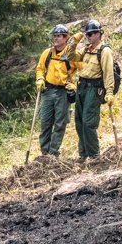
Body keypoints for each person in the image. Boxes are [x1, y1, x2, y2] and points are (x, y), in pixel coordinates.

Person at [71, 20, 116, 163]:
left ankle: (95, 155)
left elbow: (108, 72)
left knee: (88, 122)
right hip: (81, 87)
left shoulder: (104, 50)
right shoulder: (85, 49)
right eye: (87, 34)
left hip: (94, 88)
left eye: (91, 34)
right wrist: (73, 42)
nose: (89, 36)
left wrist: (109, 92)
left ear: (98, 34)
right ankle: (83, 154)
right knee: (79, 121)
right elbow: (69, 57)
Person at [34, 24, 77, 156]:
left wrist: (74, 85)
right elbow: (40, 68)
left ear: (65, 38)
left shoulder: (71, 55)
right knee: (45, 122)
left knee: (60, 123)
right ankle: (44, 152)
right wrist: (40, 79)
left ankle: (53, 152)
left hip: (63, 93)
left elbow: (81, 70)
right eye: (55, 36)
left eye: (59, 36)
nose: (56, 38)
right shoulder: (47, 53)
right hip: (48, 91)